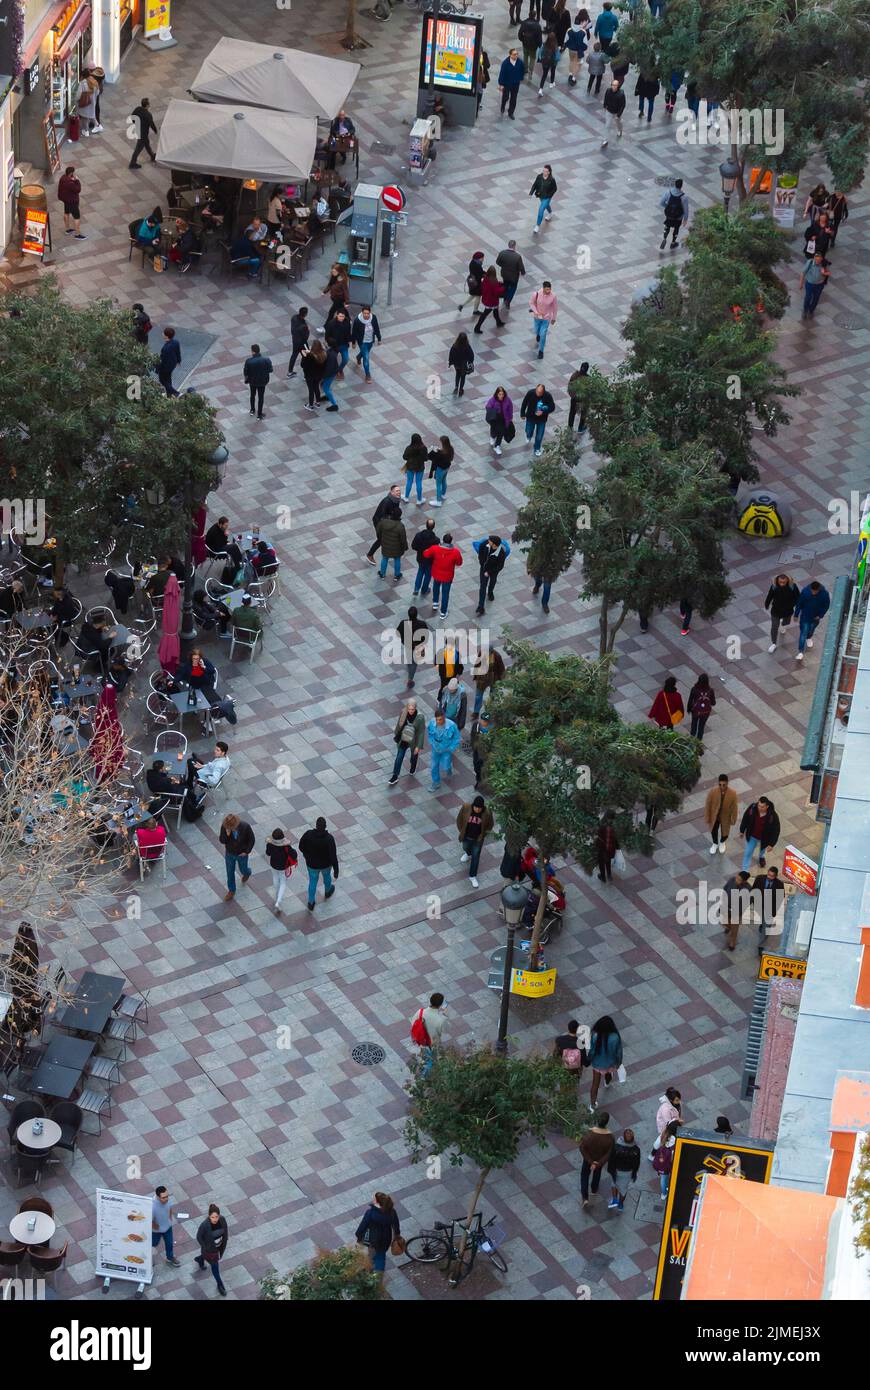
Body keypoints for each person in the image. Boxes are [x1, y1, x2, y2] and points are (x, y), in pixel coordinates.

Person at [355, 1193, 401, 1281]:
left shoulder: (371, 1213)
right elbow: (396, 1225)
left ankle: (370, 1270)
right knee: (381, 1255)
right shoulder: (391, 1211)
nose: (373, 1200)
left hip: (374, 1239)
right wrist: (397, 1235)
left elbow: (363, 1225)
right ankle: (379, 1276)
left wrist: (358, 1235)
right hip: (386, 1239)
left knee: (372, 1255)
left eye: (375, 1199)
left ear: (379, 1202)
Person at [298, 817, 339, 911]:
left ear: (316, 825)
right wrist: (336, 871)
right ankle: (328, 891)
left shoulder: (308, 835)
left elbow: (301, 846)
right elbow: (333, 856)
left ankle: (311, 902)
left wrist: (306, 855)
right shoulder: (329, 839)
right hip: (326, 865)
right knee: (327, 877)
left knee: (312, 882)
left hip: (312, 865)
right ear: (325, 827)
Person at [456, 795, 494, 888]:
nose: (477, 809)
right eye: (476, 807)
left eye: (479, 808)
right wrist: (461, 831)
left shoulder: (487, 813)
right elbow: (459, 819)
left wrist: (483, 834)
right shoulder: (466, 808)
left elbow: (490, 825)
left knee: (476, 857)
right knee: (465, 847)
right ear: (473, 805)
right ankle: (468, 853)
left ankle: (472, 876)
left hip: (477, 840)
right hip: (466, 836)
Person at [580, 1111, 614, 1210]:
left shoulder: (589, 1134)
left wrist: (591, 1162)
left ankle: (585, 1198)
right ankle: (594, 1190)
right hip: (599, 1162)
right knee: (597, 1173)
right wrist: (598, 1163)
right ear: (607, 1122)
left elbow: (582, 1147)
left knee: (584, 1176)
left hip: (588, 1160)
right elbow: (609, 1153)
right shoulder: (610, 1138)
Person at [423, 532, 463, 618]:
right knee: (445, 593)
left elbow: (426, 554)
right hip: (447, 576)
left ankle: (435, 603)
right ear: (451, 541)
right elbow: (459, 563)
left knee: (436, 588)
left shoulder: (435, 548)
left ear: (443, 540)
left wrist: (426, 550)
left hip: (436, 573)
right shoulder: (455, 552)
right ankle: (443, 612)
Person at [586, 1017, 622, 1109]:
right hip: (610, 1063)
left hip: (597, 1064)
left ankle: (592, 1105)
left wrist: (589, 1059)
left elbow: (592, 1051)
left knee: (595, 1085)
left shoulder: (595, 1036)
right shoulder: (615, 1037)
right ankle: (607, 1083)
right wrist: (618, 1063)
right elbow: (618, 1052)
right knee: (609, 1073)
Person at [219, 813, 255, 902]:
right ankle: (231, 890)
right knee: (230, 872)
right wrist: (227, 835)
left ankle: (247, 873)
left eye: (232, 828)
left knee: (243, 869)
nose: (231, 829)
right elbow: (222, 840)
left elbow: (252, 839)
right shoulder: (225, 827)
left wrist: (246, 852)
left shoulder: (245, 826)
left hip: (241, 854)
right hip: (230, 853)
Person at [739, 795, 780, 872]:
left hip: (765, 838)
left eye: (762, 807)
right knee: (747, 854)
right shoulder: (752, 808)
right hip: (752, 837)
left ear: (767, 806)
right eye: (759, 805)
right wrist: (742, 830)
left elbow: (776, 830)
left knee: (762, 849)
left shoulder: (773, 816)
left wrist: (771, 844)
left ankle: (761, 857)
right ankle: (745, 872)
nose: (759, 808)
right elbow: (745, 818)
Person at [194, 1204, 228, 1296]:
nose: (215, 1219)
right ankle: (220, 1285)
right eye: (212, 1217)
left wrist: (225, 1241)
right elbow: (198, 1237)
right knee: (215, 1268)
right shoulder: (204, 1225)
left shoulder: (222, 1220)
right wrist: (205, 1247)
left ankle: (200, 1259)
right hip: (210, 1251)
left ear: (219, 1215)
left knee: (204, 1256)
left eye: (216, 1216)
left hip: (218, 1248)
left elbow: (225, 1232)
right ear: (209, 1216)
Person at [473, 534, 511, 615]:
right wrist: (481, 562)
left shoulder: (501, 553)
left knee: (493, 581)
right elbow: (480, 549)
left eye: (490, 540)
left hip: (493, 570)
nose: (488, 541)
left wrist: (489, 572)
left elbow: (500, 566)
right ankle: (481, 607)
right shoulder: (485, 544)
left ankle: (490, 592)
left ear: (494, 544)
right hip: (484, 569)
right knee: (482, 587)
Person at [752, 864, 785, 956]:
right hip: (759, 906)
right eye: (768, 875)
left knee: (766, 929)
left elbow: (780, 898)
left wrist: (774, 910)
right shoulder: (759, 878)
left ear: (775, 876)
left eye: (772, 876)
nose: (769, 877)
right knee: (764, 923)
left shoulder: (779, 884)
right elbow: (754, 890)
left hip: (770, 909)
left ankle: (761, 946)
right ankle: (762, 925)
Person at [390, 699, 425, 784]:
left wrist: (418, 746)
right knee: (399, 757)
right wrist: (396, 735)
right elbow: (399, 724)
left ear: (415, 708)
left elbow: (421, 732)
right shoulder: (403, 712)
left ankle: (413, 768)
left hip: (414, 740)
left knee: (414, 757)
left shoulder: (420, 717)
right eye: (409, 709)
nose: (410, 711)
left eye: (412, 709)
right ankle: (395, 776)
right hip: (404, 739)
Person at [366, 484, 403, 565]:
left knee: (386, 538)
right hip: (379, 522)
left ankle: (389, 553)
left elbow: (394, 511)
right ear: (392, 492)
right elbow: (382, 516)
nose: (399, 492)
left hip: (387, 521)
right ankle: (370, 555)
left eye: (399, 491)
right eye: (396, 491)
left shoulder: (396, 500)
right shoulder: (387, 501)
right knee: (381, 539)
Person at [794, 579, 831, 658]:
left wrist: (820, 615)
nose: (813, 593)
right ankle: (801, 651)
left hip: (815, 618)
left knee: (811, 629)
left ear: (819, 589)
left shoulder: (824, 594)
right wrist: (796, 614)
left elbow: (826, 605)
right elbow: (799, 603)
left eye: (815, 591)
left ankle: (809, 637)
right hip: (805, 617)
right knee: (803, 632)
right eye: (812, 591)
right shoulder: (805, 592)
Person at [411, 992, 445, 1075]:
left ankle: (425, 1070)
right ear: (440, 1005)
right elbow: (441, 1032)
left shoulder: (420, 1012)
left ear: (430, 1001)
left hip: (421, 1041)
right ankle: (426, 1076)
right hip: (432, 1043)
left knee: (426, 1057)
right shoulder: (440, 1020)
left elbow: (413, 1024)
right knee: (431, 1060)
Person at [765, 573, 801, 652]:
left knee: (786, 623)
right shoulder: (774, 586)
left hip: (788, 611)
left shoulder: (792, 587)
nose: (781, 584)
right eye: (780, 582)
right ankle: (773, 643)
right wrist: (766, 604)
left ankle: (782, 625)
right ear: (777, 581)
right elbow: (769, 596)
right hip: (775, 611)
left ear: (787, 580)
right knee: (774, 627)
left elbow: (798, 597)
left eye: (783, 582)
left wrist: (793, 605)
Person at [265, 828, 297, 916]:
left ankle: (277, 895)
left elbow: (268, 853)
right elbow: (294, 854)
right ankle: (278, 901)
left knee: (275, 878)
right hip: (283, 867)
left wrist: (269, 845)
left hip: (274, 865)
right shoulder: (286, 846)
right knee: (283, 883)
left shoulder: (271, 845)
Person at [704, 773, 738, 856]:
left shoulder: (733, 793)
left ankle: (722, 842)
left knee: (725, 832)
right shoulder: (713, 791)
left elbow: (734, 807)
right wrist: (707, 816)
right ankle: (715, 843)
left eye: (724, 785)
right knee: (713, 830)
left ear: (727, 783)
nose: (722, 786)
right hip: (714, 816)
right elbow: (708, 804)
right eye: (720, 784)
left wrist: (733, 818)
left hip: (725, 816)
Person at [427, 710, 460, 791]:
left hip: (446, 749)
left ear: (444, 717)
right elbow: (430, 734)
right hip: (436, 748)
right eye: (437, 719)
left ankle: (449, 768)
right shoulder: (432, 723)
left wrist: (451, 748)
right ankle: (436, 782)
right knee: (434, 766)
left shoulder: (451, 725)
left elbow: (456, 738)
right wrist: (432, 742)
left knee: (445, 766)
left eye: (440, 719)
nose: (438, 721)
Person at [520, 383, 557, 457]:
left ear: (543, 392)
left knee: (539, 435)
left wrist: (543, 412)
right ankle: (528, 436)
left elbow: (552, 407)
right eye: (537, 391)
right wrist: (522, 413)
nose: (538, 393)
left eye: (540, 392)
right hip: (531, 417)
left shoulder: (548, 396)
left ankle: (537, 448)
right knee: (528, 430)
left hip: (541, 419)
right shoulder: (530, 393)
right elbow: (524, 403)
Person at [608, 1129, 640, 1210]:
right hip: (627, 1173)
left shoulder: (616, 1147)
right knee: (623, 1189)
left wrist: (610, 1169)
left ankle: (614, 1200)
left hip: (616, 1170)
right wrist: (634, 1173)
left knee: (614, 1184)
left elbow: (611, 1159)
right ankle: (620, 1204)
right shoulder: (636, 1150)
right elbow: (636, 1164)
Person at [151, 1184, 182, 1267]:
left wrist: (170, 1218)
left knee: (169, 1243)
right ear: (158, 1197)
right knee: (153, 1244)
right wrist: (155, 1227)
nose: (166, 1199)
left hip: (167, 1227)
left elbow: (169, 1207)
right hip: (156, 1231)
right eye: (163, 1197)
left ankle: (170, 1257)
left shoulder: (167, 1200)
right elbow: (149, 1220)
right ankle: (147, 1258)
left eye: (167, 1196)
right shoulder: (152, 1206)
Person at [471, 647, 505, 718]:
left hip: (493, 679)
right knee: (478, 696)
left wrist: (501, 680)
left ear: (491, 651)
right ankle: (476, 712)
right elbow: (477, 663)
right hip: (482, 679)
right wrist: (475, 675)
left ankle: (489, 711)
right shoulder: (481, 653)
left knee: (492, 696)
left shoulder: (497, 656)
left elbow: (501, 668)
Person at [722, 869, 751, 951]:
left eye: (739, 880)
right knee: (725, 922)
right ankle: (729, 927)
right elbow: (725, 889)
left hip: (736, 912)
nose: (736, 880)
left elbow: (746, 903)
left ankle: (732, 941)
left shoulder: (748, 889)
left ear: (744, 881)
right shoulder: (732, 880)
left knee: (735, 927)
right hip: (726, 907)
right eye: (737, 878)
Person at [528, 280, 558, 360]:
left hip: (546, 318)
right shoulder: (536, 294)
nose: (548, 291)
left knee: (543, 334)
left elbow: (555, 308)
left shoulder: (553, 296)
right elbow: (531, 303)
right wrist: (536, 312)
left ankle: (541, 351)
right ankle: (538, 334)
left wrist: (553, 318)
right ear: (543, 288)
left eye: (549, 289)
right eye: (547, 289)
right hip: (537, 317)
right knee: (536, 330)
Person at [376, 508, 408, 581]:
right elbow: (403, 539)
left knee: (384, 558)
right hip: (397, 548)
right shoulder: (400, 526)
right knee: (397, 560)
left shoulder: (383, 522)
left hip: (385, 545)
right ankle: (397, 575)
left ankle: (382, 574)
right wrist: (405, 547)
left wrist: (381, 539)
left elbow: (378, 531)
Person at [243, 344, 273, 421]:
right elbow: (270, 370)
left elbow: (245, 372)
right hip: (263, 382)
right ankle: (259, 415)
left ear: (253, 351)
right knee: (261, 397)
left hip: (252, 382)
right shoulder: (266, 360)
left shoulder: (249, 361)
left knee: (252, 395)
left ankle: (252, 410)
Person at [352, 306, 382, 382]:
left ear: (370, 313)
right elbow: (354, 332)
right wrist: (353, 342)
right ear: (362, 313)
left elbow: (376, 328)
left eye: (367, 313)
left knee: (364, 353)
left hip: (370, 340)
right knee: (366, 358)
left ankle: (358, 357)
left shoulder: (373, 318)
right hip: (362, 342)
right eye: (364, 313)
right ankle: (368, 375)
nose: (366, 315)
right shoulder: (357, 320)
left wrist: (379, 338)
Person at [799, 252, 831, 321]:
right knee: (808, 297)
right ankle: (805, 310)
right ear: (814, 258)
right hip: (810, 284)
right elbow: (802, 272)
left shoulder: (824, 264)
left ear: (821, 259)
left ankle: (811, 311)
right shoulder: (810, 262)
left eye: (818, 260)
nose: (817, 262)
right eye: (816, 260)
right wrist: (801, 283)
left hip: (819, 285)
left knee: (816, 299)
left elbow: (829, 273)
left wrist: (824, 273)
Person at [411, 519, 439, 598]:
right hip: (430, 561)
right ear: (433, 527)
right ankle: (424, 590)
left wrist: (420, 550)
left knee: (420, 571)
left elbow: (413, 546)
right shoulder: (436, 540)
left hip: (420, 558)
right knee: (428, 575)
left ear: (426, 525)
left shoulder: (418, 535)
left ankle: (416, 589)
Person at [652, 1121, 679, 1200]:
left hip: (663, 1164)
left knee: (663, 1179)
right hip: (672, 1162)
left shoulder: (663, 1135)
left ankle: (664, 1194)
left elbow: (655, 1145)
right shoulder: (676, 1139)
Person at [474, 266, 505, 333]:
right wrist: (503, 288)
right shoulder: (493, 281)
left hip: (486, 298)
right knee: (485, 314)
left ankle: (498, 322)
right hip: (492, 301)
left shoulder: (485, 278)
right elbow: (497, 292)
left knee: (495, 311)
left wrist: (499, 284)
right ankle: (477, 327)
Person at [659, 178, 689, 249]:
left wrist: (668, 207)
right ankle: (673, 243)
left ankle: (664, 238)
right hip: (678, 217)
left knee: (667, 226)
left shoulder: (668, 193)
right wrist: (685, 220)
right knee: (676, 228)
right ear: (681, 186)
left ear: (675, 184)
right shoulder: (684, 197)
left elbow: (661, 202)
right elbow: (686, 210)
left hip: (669, 215)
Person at [495, 241, 525, 307]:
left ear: (508, 245)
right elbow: (521, 267)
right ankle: (508, 300)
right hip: (514, 276)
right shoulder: (517, 256)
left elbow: (497, 262)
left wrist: (504, 266)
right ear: (514, 246)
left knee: (505, 286)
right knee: (513, 288)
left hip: (504, 274)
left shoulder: (502, 253)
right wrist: (523, 272)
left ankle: (505, 298)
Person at [529, 164, 557, 233]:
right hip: (540, 195)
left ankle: (537, 225)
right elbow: (535, 185)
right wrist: (531, 193)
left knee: (541, 209)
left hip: (547, 197)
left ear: (549, 172)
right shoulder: (539, 177)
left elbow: (555, 188)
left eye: (545, 171)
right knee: (546, 205)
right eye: (543, 171)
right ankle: (550, 213)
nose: (544, 172)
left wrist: (549, 195)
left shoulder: (552, 180)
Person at [58, 166, 85, 239]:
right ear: (71, 173)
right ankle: (77, 234)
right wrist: (77, 181)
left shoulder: (63, 178)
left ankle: (67, 229)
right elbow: (78, 189)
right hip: (72, 201)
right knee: (77, 217)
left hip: (65, 200)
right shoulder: (70, 183)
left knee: (66, 213)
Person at [129, 98, 158, 167]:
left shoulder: (138, 109)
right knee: (138, 148)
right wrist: (155, 130)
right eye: (149, 104)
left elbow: (132, 117)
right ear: (147, 105)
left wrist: (135, 123)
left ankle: (152, 155)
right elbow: (151, 124)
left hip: (138, 130)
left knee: (147, 144)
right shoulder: (148, 114)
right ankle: (132, 163)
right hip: (143, 133)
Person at [485, 386, 513, 456]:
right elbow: (488, 407)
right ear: (497, 394)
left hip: (504, 420)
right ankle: (492, 436)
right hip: (495, 420)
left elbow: (510, 408)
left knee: (501, 433)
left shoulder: (507, 400)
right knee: (494, 431)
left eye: (502, 394)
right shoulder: (493, 400)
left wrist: (510, 417)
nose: (501, 396)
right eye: (499, 394)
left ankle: (497, 446)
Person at [686, 673, 715, 740]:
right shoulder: (710, 690)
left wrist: (689, 709)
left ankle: (691, 739)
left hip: (695, 711)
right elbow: (713, 703)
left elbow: (690, 700)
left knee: (694, 725)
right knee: (701, 727)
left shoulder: (694, 689)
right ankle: (698, 742)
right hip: (705, 712)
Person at [427, 436, 454, 507]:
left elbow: (435, 459)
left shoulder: (441, 453)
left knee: (438, 484)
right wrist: (439, 450)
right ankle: (443, 494)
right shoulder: (450, 448)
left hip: (440, 469)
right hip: (447, 468)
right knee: (444, 480)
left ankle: (438, 501)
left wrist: (434, 451)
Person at [325, 309, 352, 380]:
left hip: (344, 344)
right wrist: (330, 342)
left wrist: (350, 340)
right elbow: (327, 336)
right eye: (340, 316)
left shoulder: (347, 321)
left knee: (346, 359)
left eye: (343, 316)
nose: (341, 318)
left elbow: (349, 332)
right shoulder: (331, 323)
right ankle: (336, 372)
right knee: (333, 360)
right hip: (334, 346)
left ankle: (339, 370)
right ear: (337, 315)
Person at [498, 47, 525, 117]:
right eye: (514, 54)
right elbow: (502, 74)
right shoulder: (505, 63)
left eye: (517, 54)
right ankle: (503, 106)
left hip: (516, 84)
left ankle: (511, 112)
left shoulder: (520, 62)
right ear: (510, 55)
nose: (516, 56)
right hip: (507, 84)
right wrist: (501, 84)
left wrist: (520, 78)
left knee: (514, 98)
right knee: (505, 97)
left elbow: (523, 70)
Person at [402, 433, 428, 504]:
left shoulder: (409, 448)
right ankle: (419, 499)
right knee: (419, 482)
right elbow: (426, 459)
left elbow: (404, 457)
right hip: (420, 467)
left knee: (409, 481)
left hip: (410, 467)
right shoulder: (423, 448)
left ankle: (406, 497)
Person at [457, 250, 486, 314]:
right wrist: (485, 275)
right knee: (478, 296)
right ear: (479, 258)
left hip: (472, 282)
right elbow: (479, 274)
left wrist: (483, 273)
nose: (483, 259)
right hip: (476, 283)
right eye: (482, 258)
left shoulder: (473, 262)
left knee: (473, 295)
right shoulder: (477, 265)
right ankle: (475, 310)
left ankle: (462, 305)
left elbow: (479, 272)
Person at [301, 339, 326, 412]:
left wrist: (304, 356)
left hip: (310, 376)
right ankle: (318, 402)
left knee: (311, 389)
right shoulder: (323, 354)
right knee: (316, 387)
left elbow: (303, 365)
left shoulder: (310, 357)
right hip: (319, 375)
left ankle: (310, 405)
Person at [448, 332, 475, 397]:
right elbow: (471, 355)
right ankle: (461, 389)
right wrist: (470, 361)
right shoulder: (467, 346)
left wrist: (451, 362)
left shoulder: (455, 346)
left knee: (457, 374)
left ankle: (456, 387)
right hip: (464, 364)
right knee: (463, 376)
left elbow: (451, 355)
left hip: (457, 364)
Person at [596, 809, 619, 884]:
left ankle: (603, 877)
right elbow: (616, 838)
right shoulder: (614, 826)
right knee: (608, 861)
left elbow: (598, 836)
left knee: (601, 862)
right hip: (610, 848)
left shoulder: (602, 825)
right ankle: (609, 875)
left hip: (602, 848)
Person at [601, 78, 626, 145]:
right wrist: (605, 105)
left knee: (618, 123)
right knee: (607, 125)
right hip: (609, 111)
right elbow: (606, 98)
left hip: (616, 112)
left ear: (618, 86)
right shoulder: (608, 91)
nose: (614, 87)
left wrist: (618, 115)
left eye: (615, 85)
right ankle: (605, 140)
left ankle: (619, 130)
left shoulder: (621, 94)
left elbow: (623, 105)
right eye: (613, 85)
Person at [565, 14, 589, 85]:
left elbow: (565, 40)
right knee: (577, 64)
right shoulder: (583, 32)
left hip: (571, 49)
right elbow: (585, 44)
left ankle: (570, 73)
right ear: (580, 23)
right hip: (578, 50)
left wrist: (568, 46)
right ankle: (573, 77)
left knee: (571, 61)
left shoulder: (569, 30)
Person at [159, 327, 181, 398]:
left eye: (163, 333)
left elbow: (163, 360)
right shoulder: (176, 342)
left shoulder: (165, 348)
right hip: (173, 364)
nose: (162, 334)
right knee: (168, 378)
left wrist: (157, 367)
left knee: (162, 380)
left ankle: (176, 393)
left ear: (166, 336)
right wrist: (178, 361)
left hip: (165, 367)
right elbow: (178, 352)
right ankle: (169, 394)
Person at [320, 341, 341, 413]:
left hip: (329, 374)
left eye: (325, 344)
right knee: (324, 385)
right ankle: (327, 396)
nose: (323, 346)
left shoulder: (329, 354)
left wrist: (323, 376)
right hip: (332, 373)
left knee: (325, 388)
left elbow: (329, 368)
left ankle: (334, 405)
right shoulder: (332, 352)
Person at [287, 306, 309, 377]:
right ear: (305, 314)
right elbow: (306, 337)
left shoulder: (294, 318)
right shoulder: (304, 325)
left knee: (294, 355)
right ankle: (306, 375)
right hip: (302, 342)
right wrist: (308, 330)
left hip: (295, 341)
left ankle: (290, 372)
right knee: (307, 356)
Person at [537, 30, 561, 95]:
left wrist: (541, 59)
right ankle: (551, 83)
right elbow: (557, 57)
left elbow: (539, 53)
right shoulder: (555, 47)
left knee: (544, 75)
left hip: (545, 62)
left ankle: (541, 89)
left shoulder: (544, 45)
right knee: (553, 71)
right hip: (553, 62)